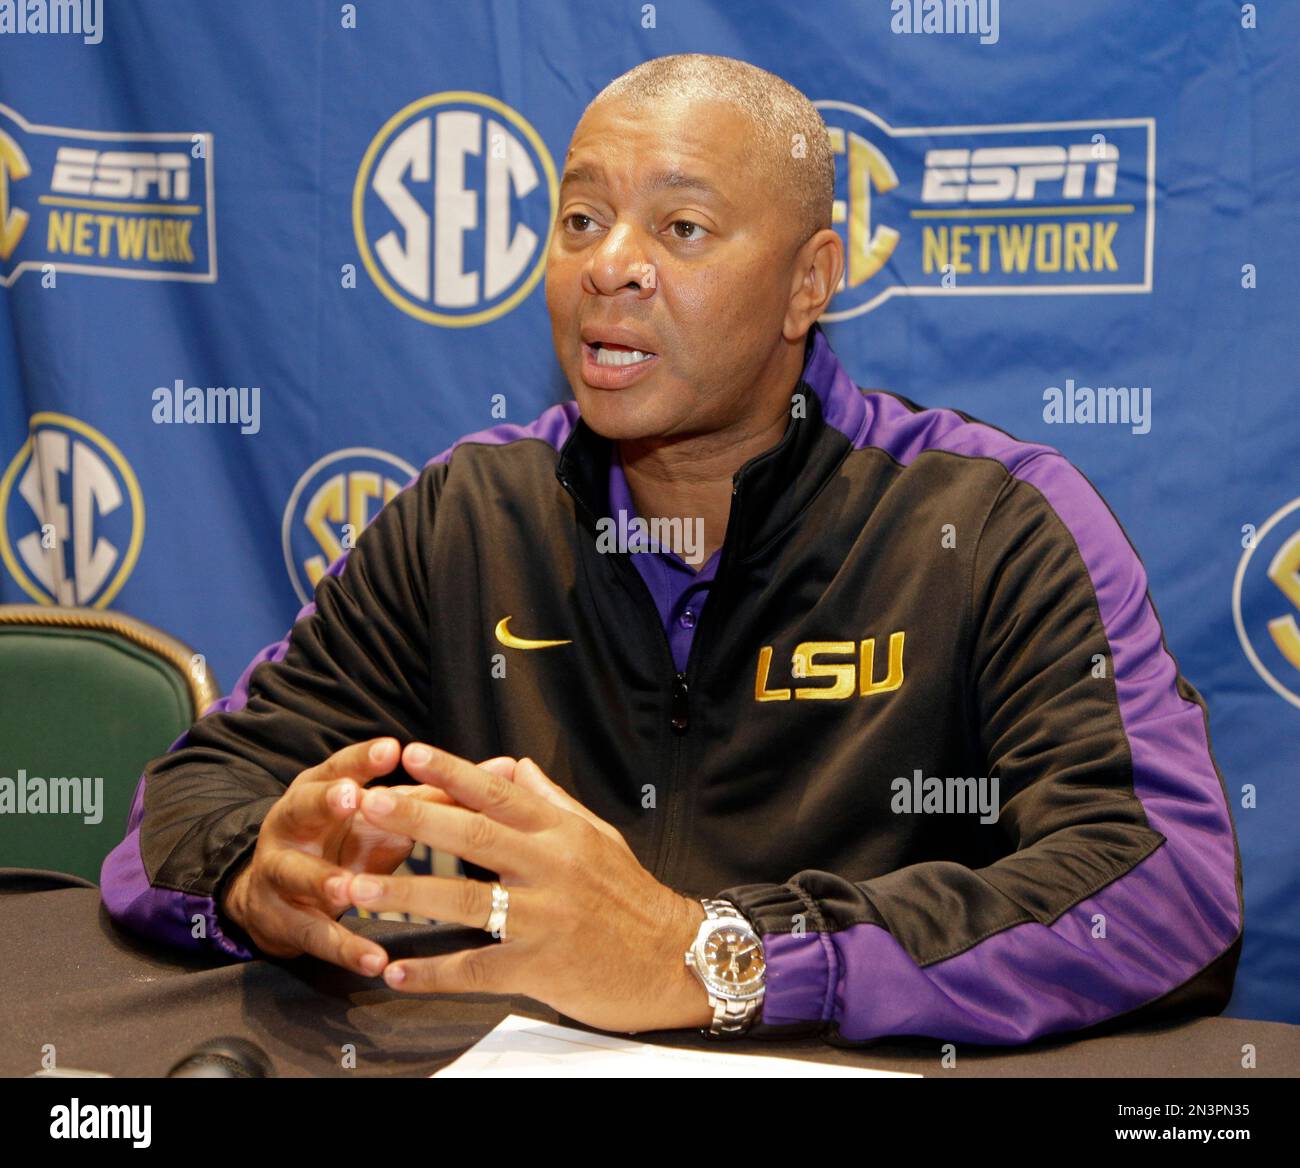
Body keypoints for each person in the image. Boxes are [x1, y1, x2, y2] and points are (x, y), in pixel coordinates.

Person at [101, 53, 1242, 1045]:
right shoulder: (467, 516)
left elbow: (1163, 890)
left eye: (681, 227)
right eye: (582, 219)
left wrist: (717, 954)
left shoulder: (991, 522)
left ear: (810, 282)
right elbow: (180, 814)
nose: (612, 266)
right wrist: (257, 876)